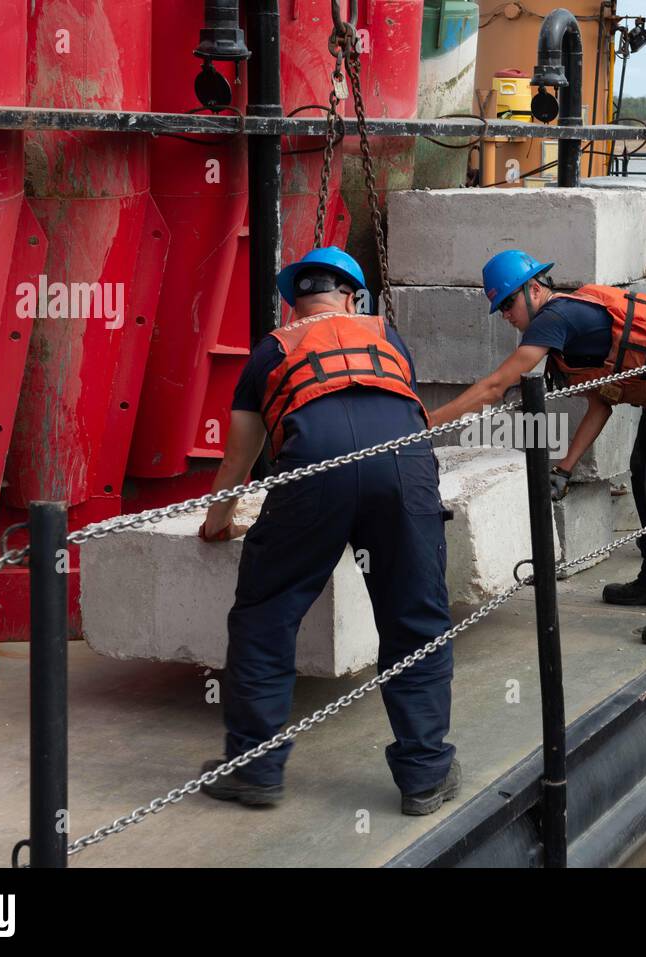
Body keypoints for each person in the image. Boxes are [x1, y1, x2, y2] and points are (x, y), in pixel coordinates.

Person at [197, 246, 460, 815]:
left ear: (294, 304)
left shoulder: (273, 348)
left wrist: (218, 520)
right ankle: (424, 776)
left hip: (315, 474)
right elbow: (396, 408)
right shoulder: (387, 338)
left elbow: (239, 456)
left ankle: (256, 771)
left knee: (266, 616)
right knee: (415, 617)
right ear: (352, 297)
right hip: (404, 467)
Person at [430, 250, 646, 646]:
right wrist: (565, 468)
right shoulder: (569, 330)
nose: (506, 315)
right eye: (499, 309)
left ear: (534, 289)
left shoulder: (554, 319)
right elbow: (602, 401)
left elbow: (495, 386)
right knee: (644, 478)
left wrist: (428, 422)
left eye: (508, 303)